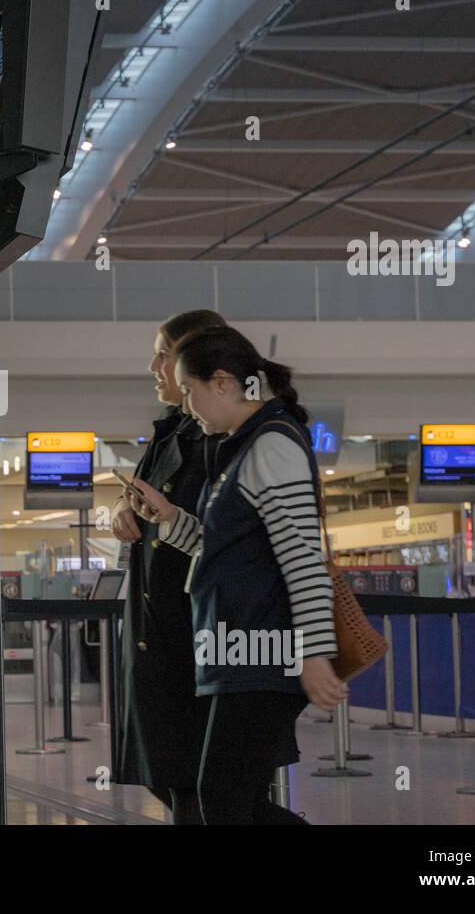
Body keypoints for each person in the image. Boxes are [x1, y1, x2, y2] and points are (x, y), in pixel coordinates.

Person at [127, 325, 347, 824]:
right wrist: (171, 520)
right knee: (234, 801)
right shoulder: (241, 449)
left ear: (223, 383)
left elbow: (301, 559)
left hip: (262, 656)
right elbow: (224, 550)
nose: (186, 406)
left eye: (190, 392)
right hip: (236, 653)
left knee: (222, 799)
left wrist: (314, 654)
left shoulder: (272, 447)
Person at [112, 309, 226, 824]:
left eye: (164, 353)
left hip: (199, 636)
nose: (153, 365)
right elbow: (149, 502)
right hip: (159, 637)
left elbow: (241, 543)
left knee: (203, 786)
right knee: (170, 776)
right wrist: (124, 510)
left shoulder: (226, 440)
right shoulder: (168, 434)